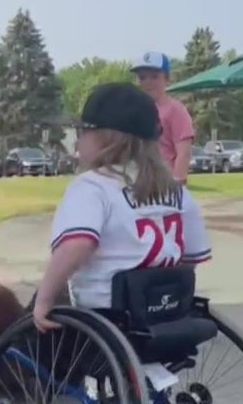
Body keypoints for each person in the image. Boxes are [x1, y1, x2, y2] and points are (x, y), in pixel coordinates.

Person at [32, 82, 212, 337]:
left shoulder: (93, 186)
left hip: (106, 320)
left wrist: (44, 299)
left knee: (34, 323)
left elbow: (77, 245)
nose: (78, 141)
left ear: (104, 139)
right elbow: (191, 257)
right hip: (164, 316)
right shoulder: (177, 192)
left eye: (83, 131)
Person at [131, 52, 195, 184]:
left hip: (163, 183)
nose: (148, 82)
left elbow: (183, 154)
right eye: (142, 77)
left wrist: (177, 186)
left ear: (167, 79)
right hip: (136, 181)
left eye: (154, 77)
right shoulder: (133, 110)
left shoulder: (176, 110)